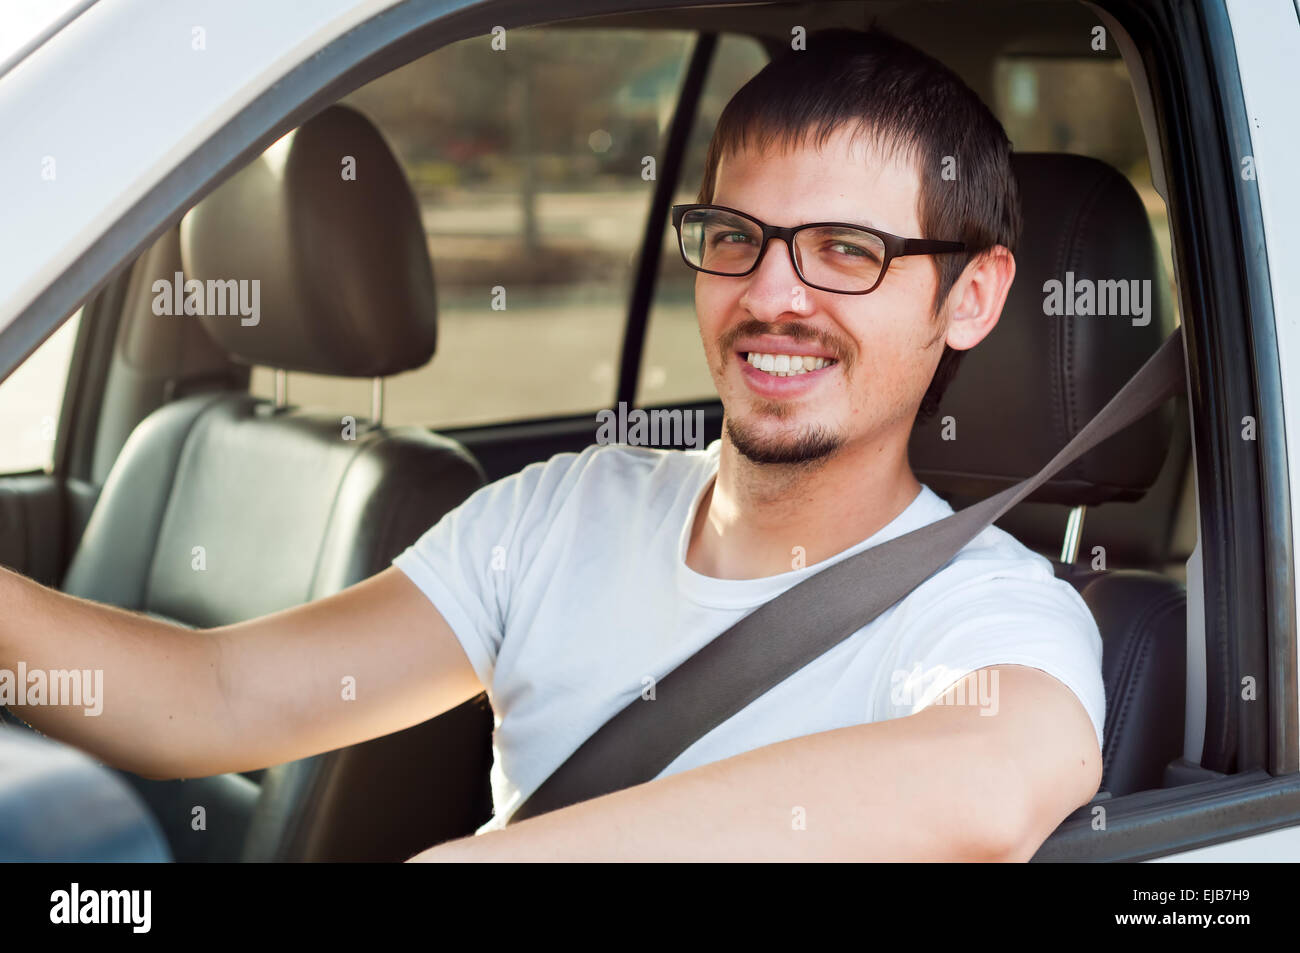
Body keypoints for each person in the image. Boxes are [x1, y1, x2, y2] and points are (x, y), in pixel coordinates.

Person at [0, 28, 1103, 862]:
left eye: (843, 250)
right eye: (734, 238)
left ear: (970, 297)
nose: (771, 296)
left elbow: (996, 779)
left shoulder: (984, 606)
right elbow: (225, 695)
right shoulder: (560, 512)